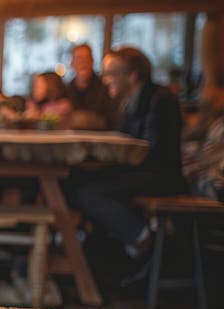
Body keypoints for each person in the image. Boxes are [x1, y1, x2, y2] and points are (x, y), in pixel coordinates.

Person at [70, 46, 186, 262]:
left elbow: (152, 152)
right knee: (75, 182)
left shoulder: (160, 99)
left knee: (87, 192)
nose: (105, 80)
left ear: (132, 76)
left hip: (159, 177)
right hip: (142, 171)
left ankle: (140, 237)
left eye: (111, 74)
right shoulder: (131, 101)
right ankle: (105, 253)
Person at [65, 44, 115, 129]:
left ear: (92, 61)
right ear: (72, 63)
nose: (83, 63)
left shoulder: (105, 87)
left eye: (87, 58)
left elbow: (109, 119)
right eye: (79, 58)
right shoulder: (66, 90)